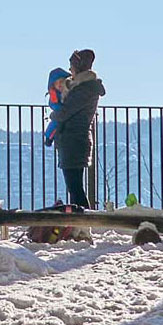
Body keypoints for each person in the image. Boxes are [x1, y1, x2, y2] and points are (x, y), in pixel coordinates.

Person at [54, 47, 105, 208]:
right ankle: (81, 223)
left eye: (72, 66)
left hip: (74, 141)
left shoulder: (84, 89)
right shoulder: (83, 88)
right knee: (75, 187)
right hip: (74, 141)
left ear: (79, 67)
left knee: (75, 187)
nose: (70, 70)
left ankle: (84, 223)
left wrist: (54, 115)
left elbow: (65, 112)